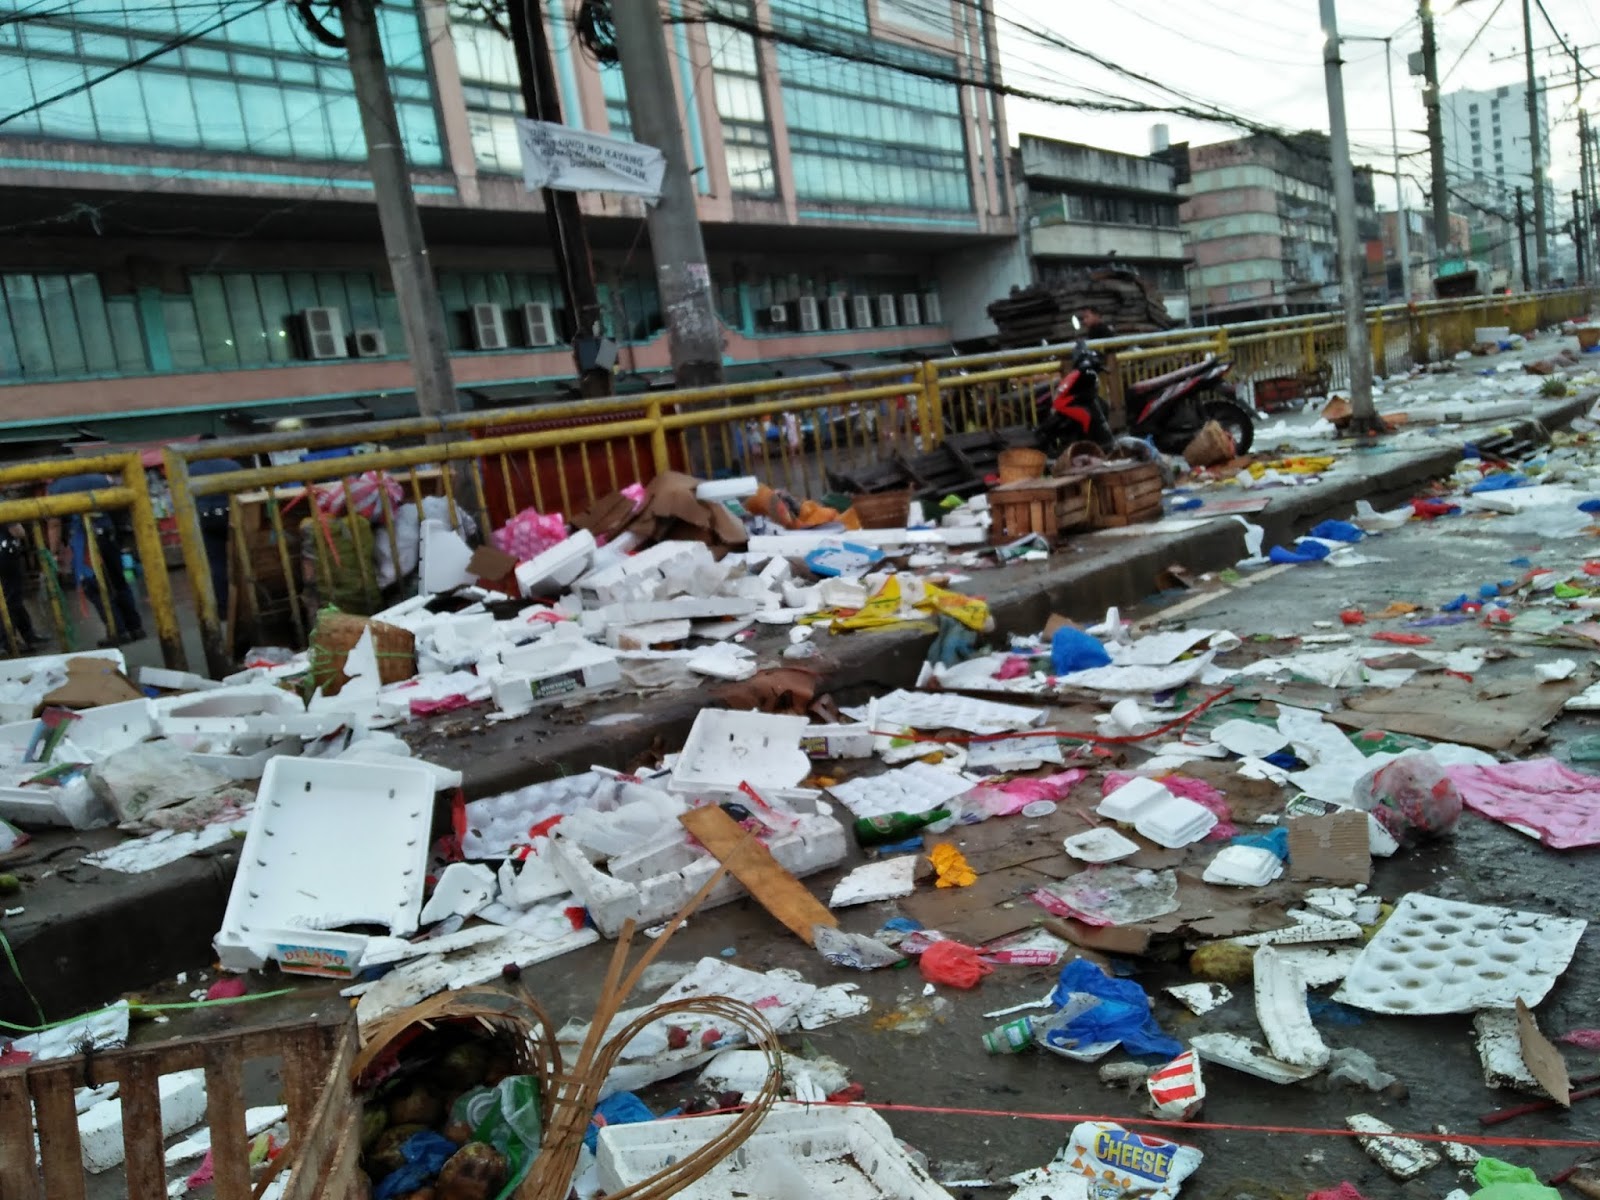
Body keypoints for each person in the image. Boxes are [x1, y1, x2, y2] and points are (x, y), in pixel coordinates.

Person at [45, 473, 145, 647]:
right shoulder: (100, 479)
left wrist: (53, 552)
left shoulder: (56, 488)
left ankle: (117, 631)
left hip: (86, 540)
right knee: (118, 581)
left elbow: (54, 524)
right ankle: (135, 627)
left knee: (93, 586)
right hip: (108, 534)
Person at [188, 439, 244, 613]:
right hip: (232, 517)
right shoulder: (232, 465)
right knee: (241, 559)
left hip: (206, 519)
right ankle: (243, 604)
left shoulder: (191, 469)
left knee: (216, 563)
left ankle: (223, 607)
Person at [0, 522, 43, 652]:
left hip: (7, 556)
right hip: (6, 557)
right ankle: (8, 642)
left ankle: (28, 635)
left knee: (14, 599)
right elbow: (18, 532)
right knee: (11, 600)